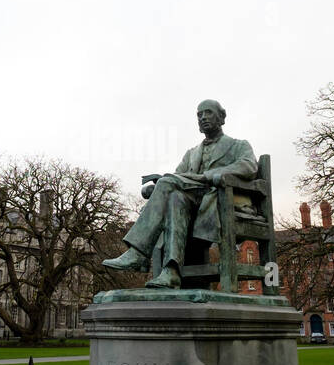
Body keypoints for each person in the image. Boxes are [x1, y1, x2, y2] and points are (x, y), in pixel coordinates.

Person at [103, 99, 257, 288]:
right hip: (192, 204)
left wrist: (209, 176)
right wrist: (159, 185)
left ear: (222, 117)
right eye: (199, 115)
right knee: (175, 197)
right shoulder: (191, 153)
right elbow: (178, 179)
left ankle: (138, 253)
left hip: (221, 200)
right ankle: (171, 271)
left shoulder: (238, 145)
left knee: (169, 185)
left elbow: (249, 166)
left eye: (208, 113)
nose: (203, 118)